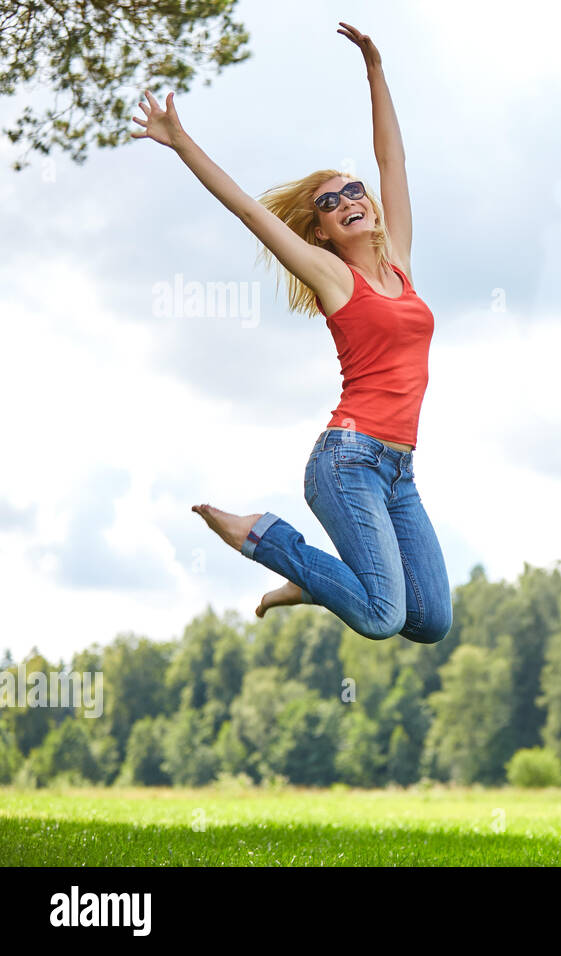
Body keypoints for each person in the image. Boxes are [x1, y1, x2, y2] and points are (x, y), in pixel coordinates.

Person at [132, 23, 451, 644]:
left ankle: (318, 585)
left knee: (430, 619)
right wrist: (180, 141)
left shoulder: (401, 267)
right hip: (347, 461)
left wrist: (375, 69)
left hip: (399, 470)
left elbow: (393, 159)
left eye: (355, 190)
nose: (350, 199)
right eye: (332, 203)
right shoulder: (333, 276)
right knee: (385, 618)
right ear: (323, 233)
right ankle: (263, 536)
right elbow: (250, 211)